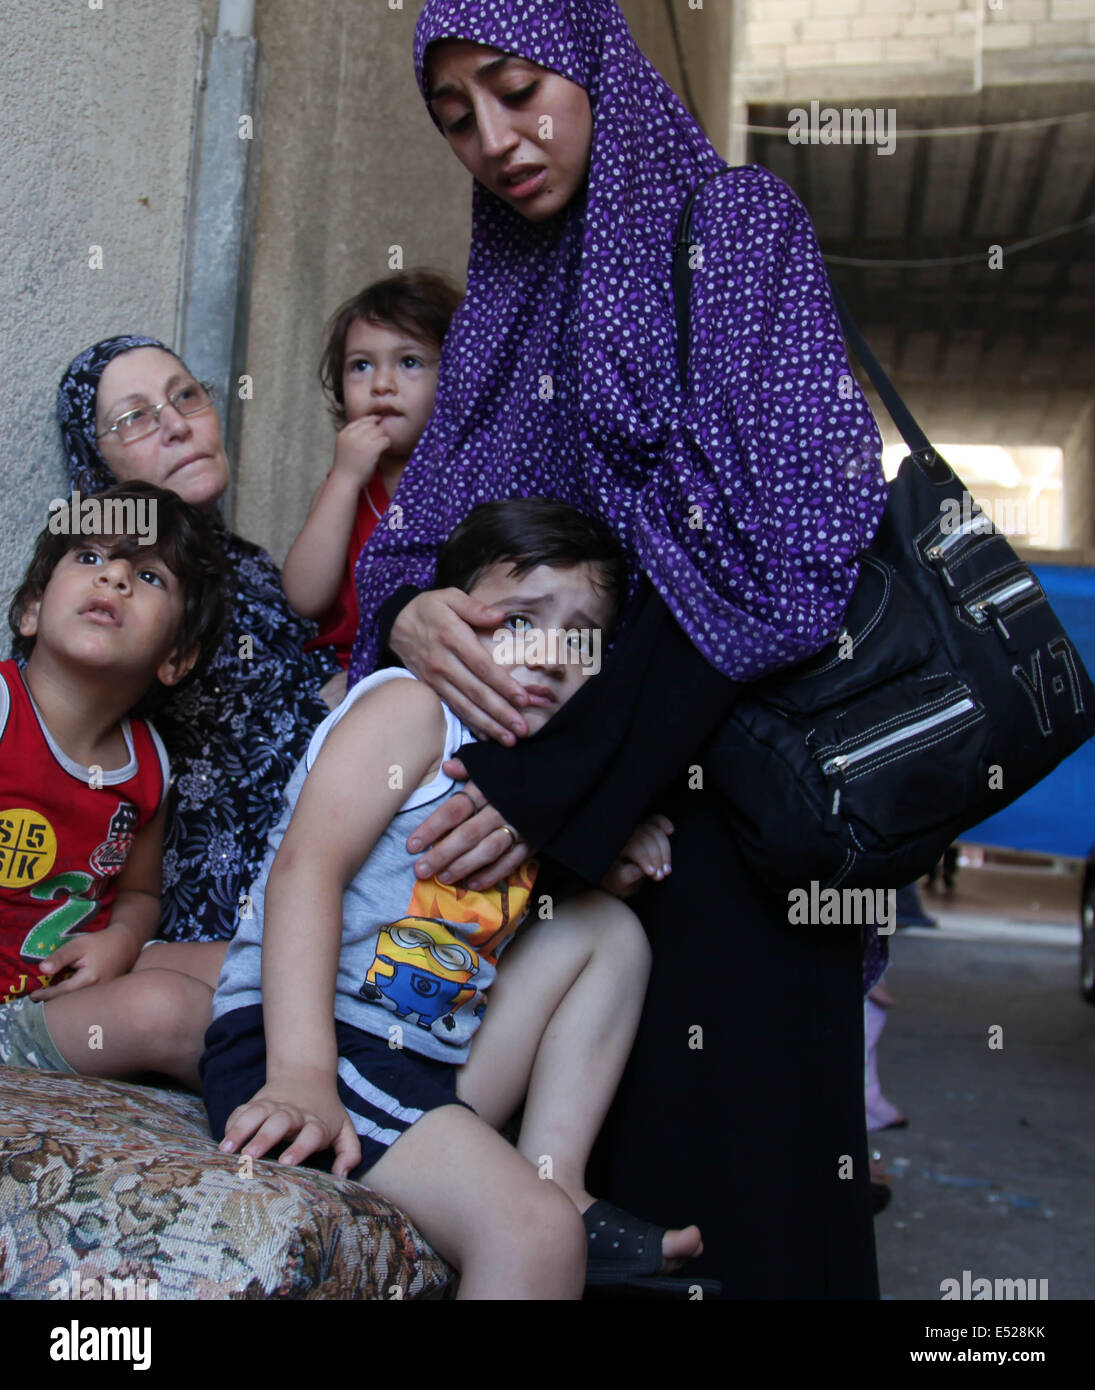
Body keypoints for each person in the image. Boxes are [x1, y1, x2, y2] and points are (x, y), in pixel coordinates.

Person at [345, 0, 891, 1298]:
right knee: (584, 1209)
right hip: (560, 851)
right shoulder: (505, 301)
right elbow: (424, 532)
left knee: (741, 1200)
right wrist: (406, 609)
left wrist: (557, 783)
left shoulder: (735, 225)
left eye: (517, 88)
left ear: (593, 65)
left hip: (721, 814)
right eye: (455, 117)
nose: (494, 138)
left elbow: (782, 544)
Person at [203, 499, 706, 1300]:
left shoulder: (536, 765)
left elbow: (499, 903)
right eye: (518, 620)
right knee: (532, 1236)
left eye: (580, 637)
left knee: (608, 931)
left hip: (428, 1053)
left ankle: (557, 1173)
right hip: (322, 1039)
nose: (548, 654)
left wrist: (606, 854)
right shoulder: (410, 708)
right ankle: (544, 1214)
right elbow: (306, 869)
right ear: (447, 618)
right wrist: (301, 1074)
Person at [54, 337, 342, 945]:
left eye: (185, 395)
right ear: (95, 465)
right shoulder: (100, 600)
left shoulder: (253, 566)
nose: (177, 426)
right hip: (207, 915)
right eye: (135, 418)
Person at [0, 483, 229, 1086]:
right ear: (31, 609)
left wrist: (120, 943)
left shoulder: (148, 762)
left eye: (149, 577)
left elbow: (140, 895)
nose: (115, 577)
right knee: (166, 1010)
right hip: (13, 1013)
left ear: (176, 657)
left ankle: (373, 1062)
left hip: (84, 979)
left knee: (255, 963)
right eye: (90, 557)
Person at [283, 271, 462, 678]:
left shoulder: (465, 479)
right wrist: (345, 481)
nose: (382, 384)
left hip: (438, 666)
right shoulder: (342, 488)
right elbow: (305, 598)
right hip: (346, 667)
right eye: (360, 365)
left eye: (409, 362)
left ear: (454, 376)